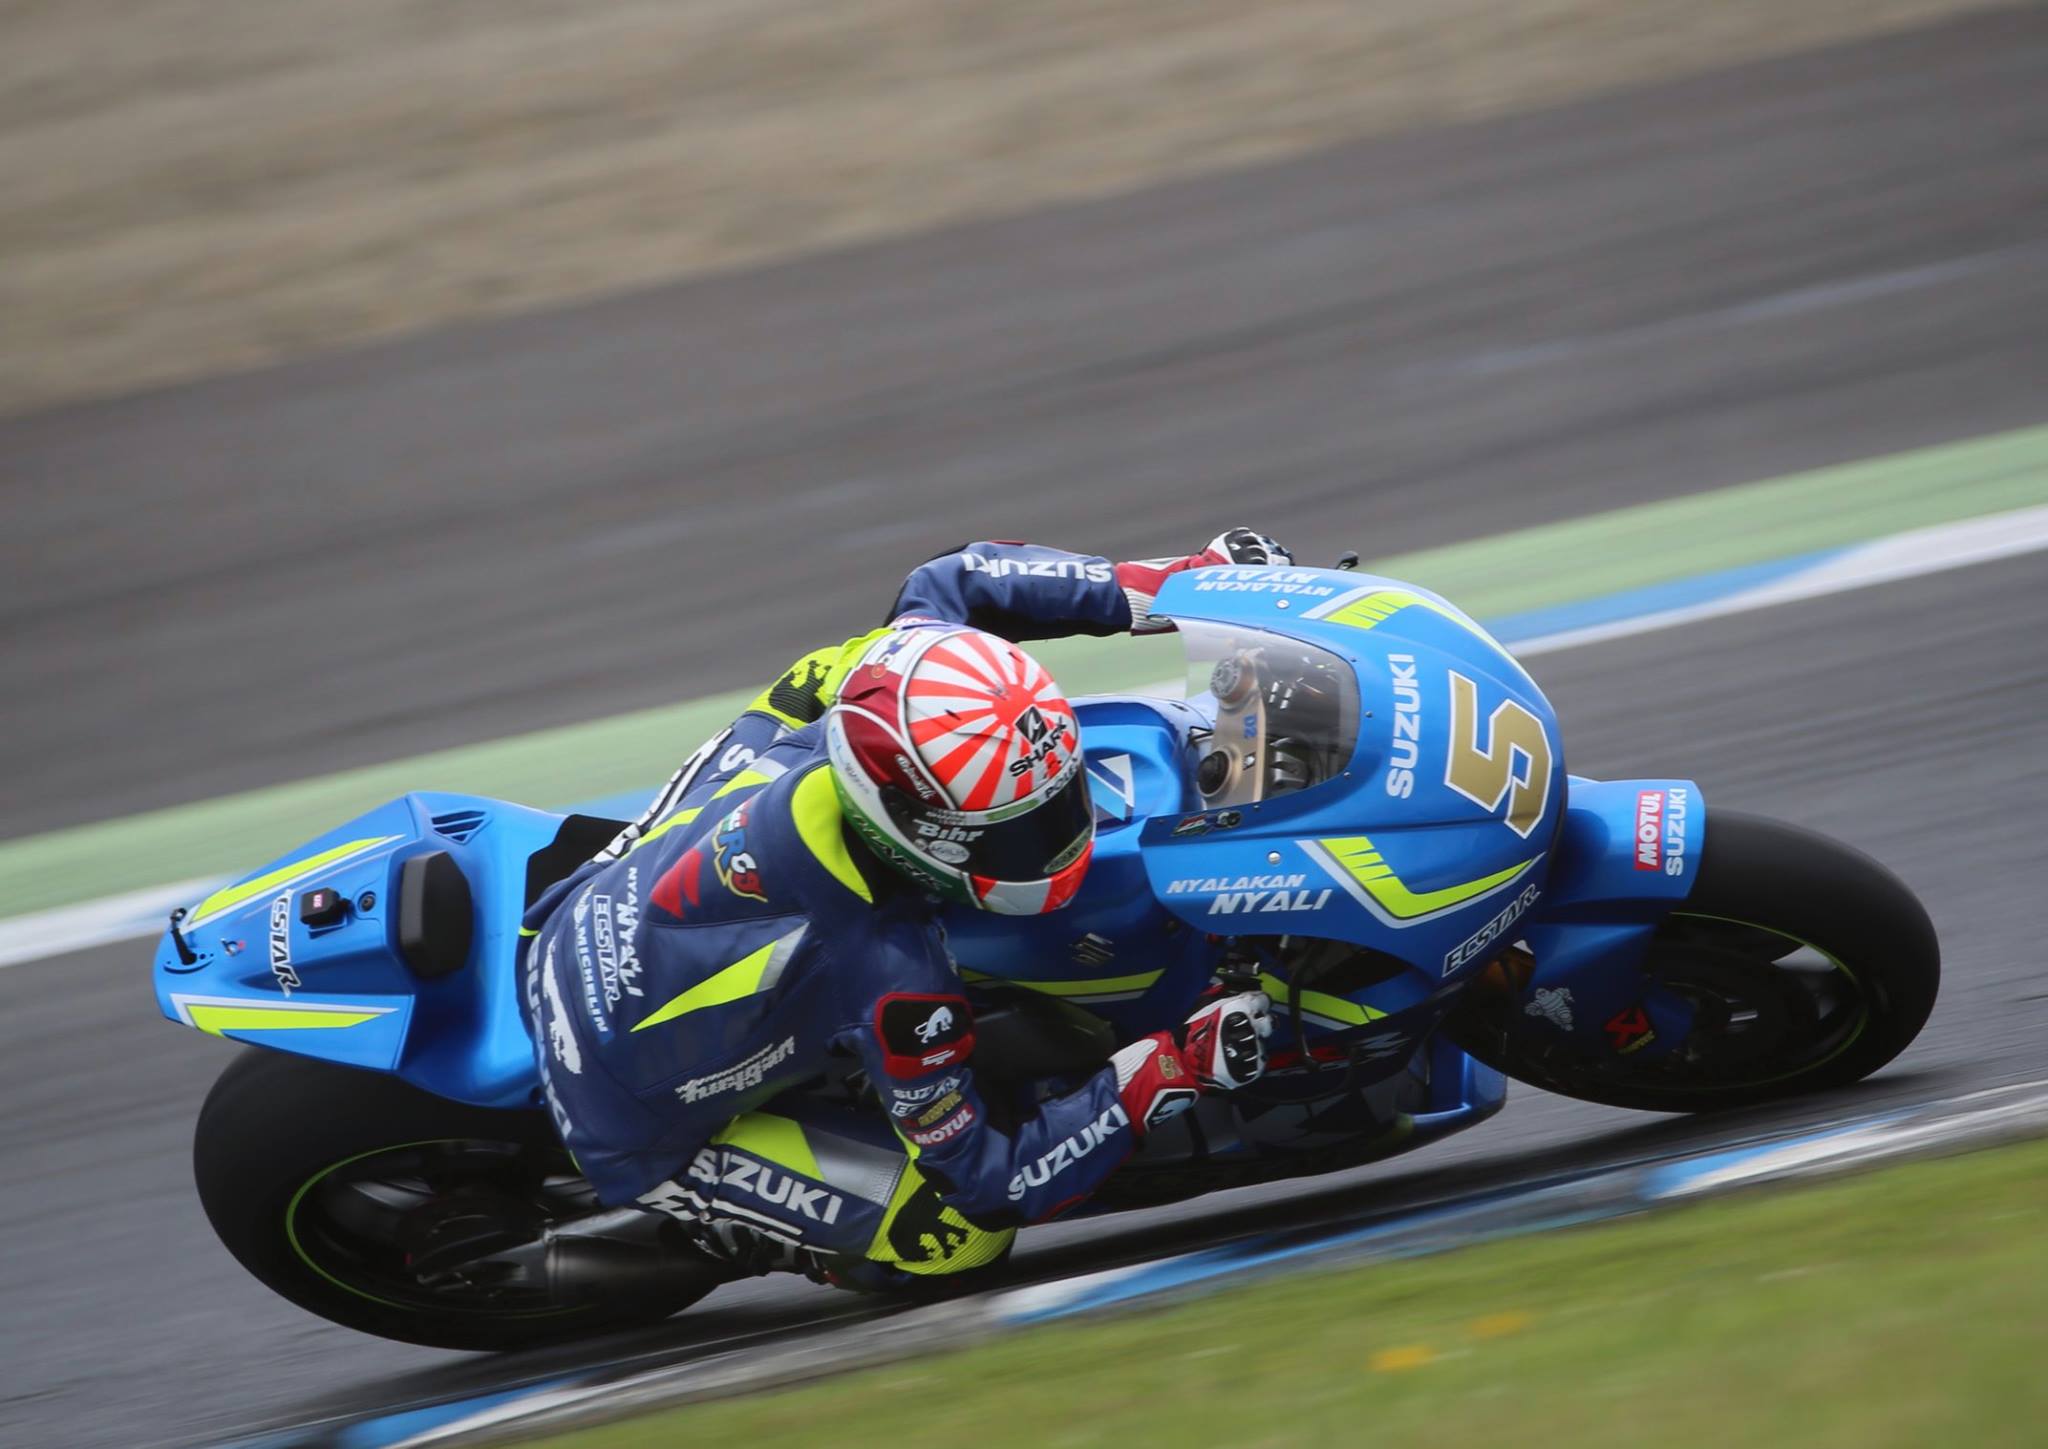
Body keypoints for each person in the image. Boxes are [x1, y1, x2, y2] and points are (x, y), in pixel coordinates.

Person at [520, 531, 1290, 1284]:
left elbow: (957, 578)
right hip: (616, 1105)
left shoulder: (879, 673)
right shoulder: (891, 973)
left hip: (574, 908)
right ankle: (731, 1228)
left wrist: (1183, 586)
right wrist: (1170, 1067)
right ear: (916, 830)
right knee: (952, 1239)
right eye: (1021, 832)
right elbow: (991, 1182)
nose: (1057, 837)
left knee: (796, 694)